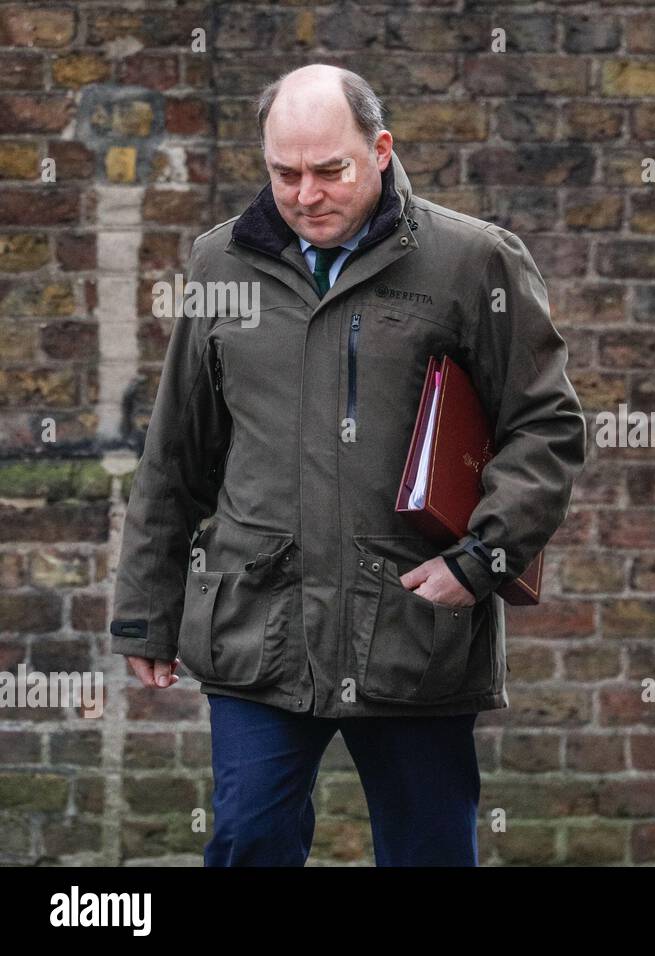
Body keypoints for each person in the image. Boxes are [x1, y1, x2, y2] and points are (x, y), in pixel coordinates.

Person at [108, 64, 586, 866]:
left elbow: (545, 427)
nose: (304, 194)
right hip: (258, 626)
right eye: (284, 173)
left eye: (330, 170)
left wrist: (476, 563)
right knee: (248, 840)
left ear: (381, 150)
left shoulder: (472, 262)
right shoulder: (219, 268)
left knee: (430, 852)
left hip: (410, 624)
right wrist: (146, 613)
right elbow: (174, 455)